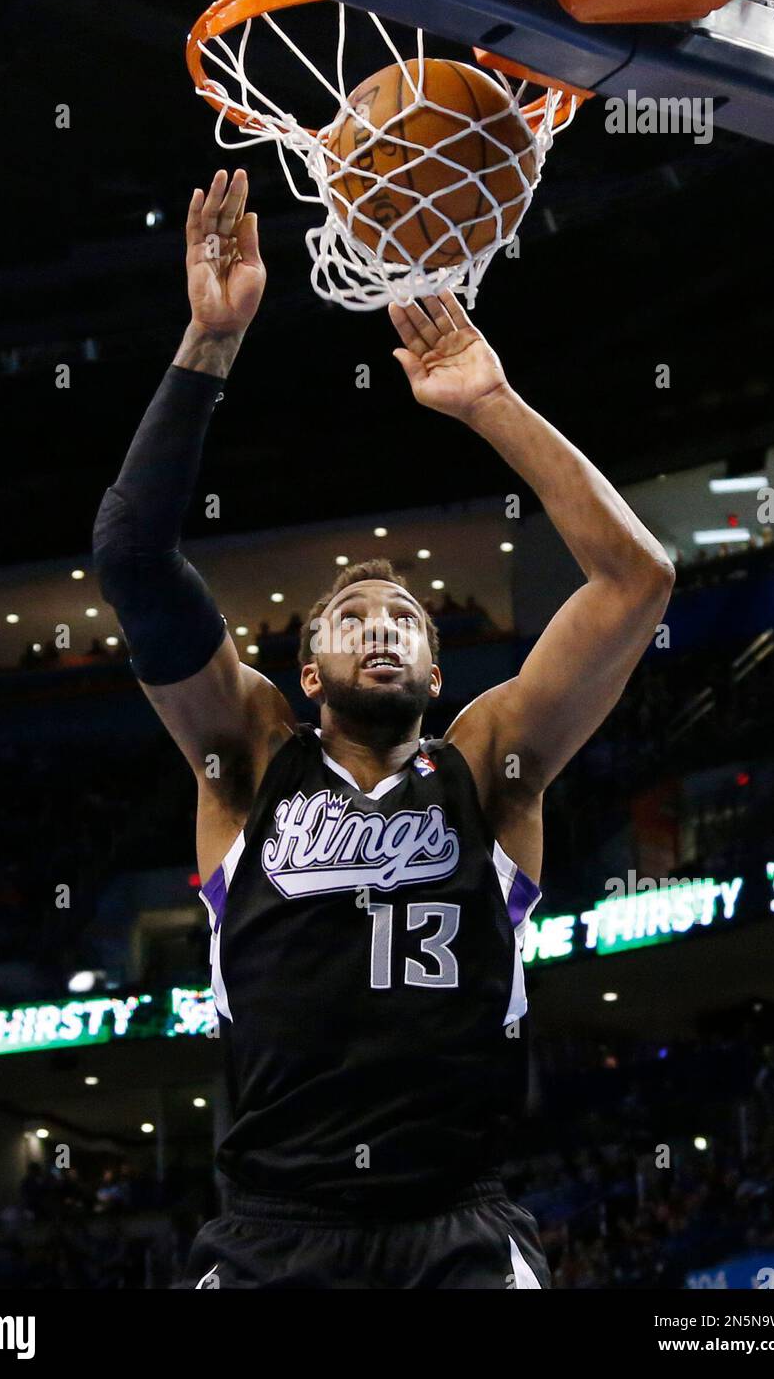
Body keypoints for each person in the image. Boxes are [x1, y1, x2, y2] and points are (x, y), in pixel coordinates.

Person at [93, 168, 674, 1289]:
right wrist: (209, 342)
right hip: (270, 1228)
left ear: (435, 665)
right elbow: (128, 557)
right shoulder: (248, 757)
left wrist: (490, 404)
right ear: (303, 669)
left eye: (402, 617)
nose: (380, 626)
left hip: (453, 1223)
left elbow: (636, 579)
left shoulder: (491, 766)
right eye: (350, 616)